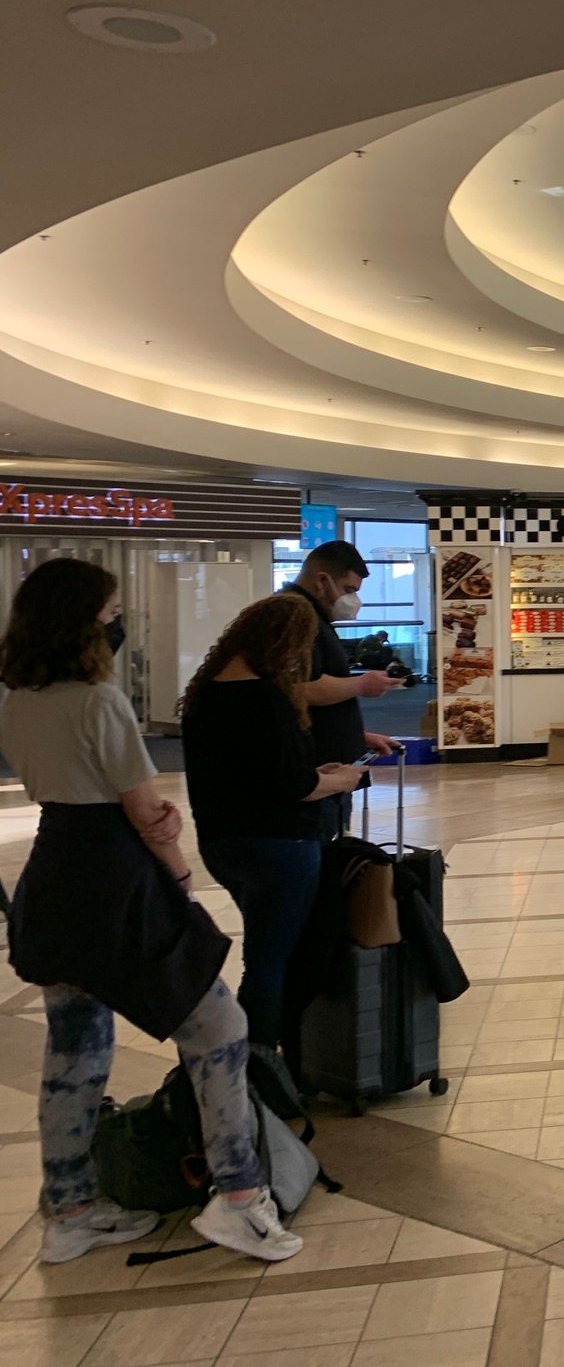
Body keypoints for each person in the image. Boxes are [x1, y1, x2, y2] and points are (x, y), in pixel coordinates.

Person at [0, 559, 305, 1263]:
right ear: (81, 620)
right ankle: (238, 1198)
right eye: (109, 612)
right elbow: (142, 808)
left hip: (53, 877)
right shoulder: (100, 702)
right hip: (118, 881)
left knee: (75, 1048)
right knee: (220, 1027)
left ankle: (70, 1209)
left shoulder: (16, 698)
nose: (116, 624)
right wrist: (176, 870)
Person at [180, 594, 366, 1056]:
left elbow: (250, 771)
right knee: (271, 960)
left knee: (265, 946)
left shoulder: (205, 692)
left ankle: (258, 1062)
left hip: (222, 840)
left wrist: (313, 776)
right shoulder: (267, 698)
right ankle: (261, 1064)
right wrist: (339, 779)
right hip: (281, 845)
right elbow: (293, 785)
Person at [284, 541, 399, 836]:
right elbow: (300, 689)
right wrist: (362, 684)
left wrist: (355, 736)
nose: (354, 600)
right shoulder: (297, 616)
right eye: (349, 590)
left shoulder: (314, 617)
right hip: (314, 776)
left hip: (329, 768)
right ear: (323, 580)